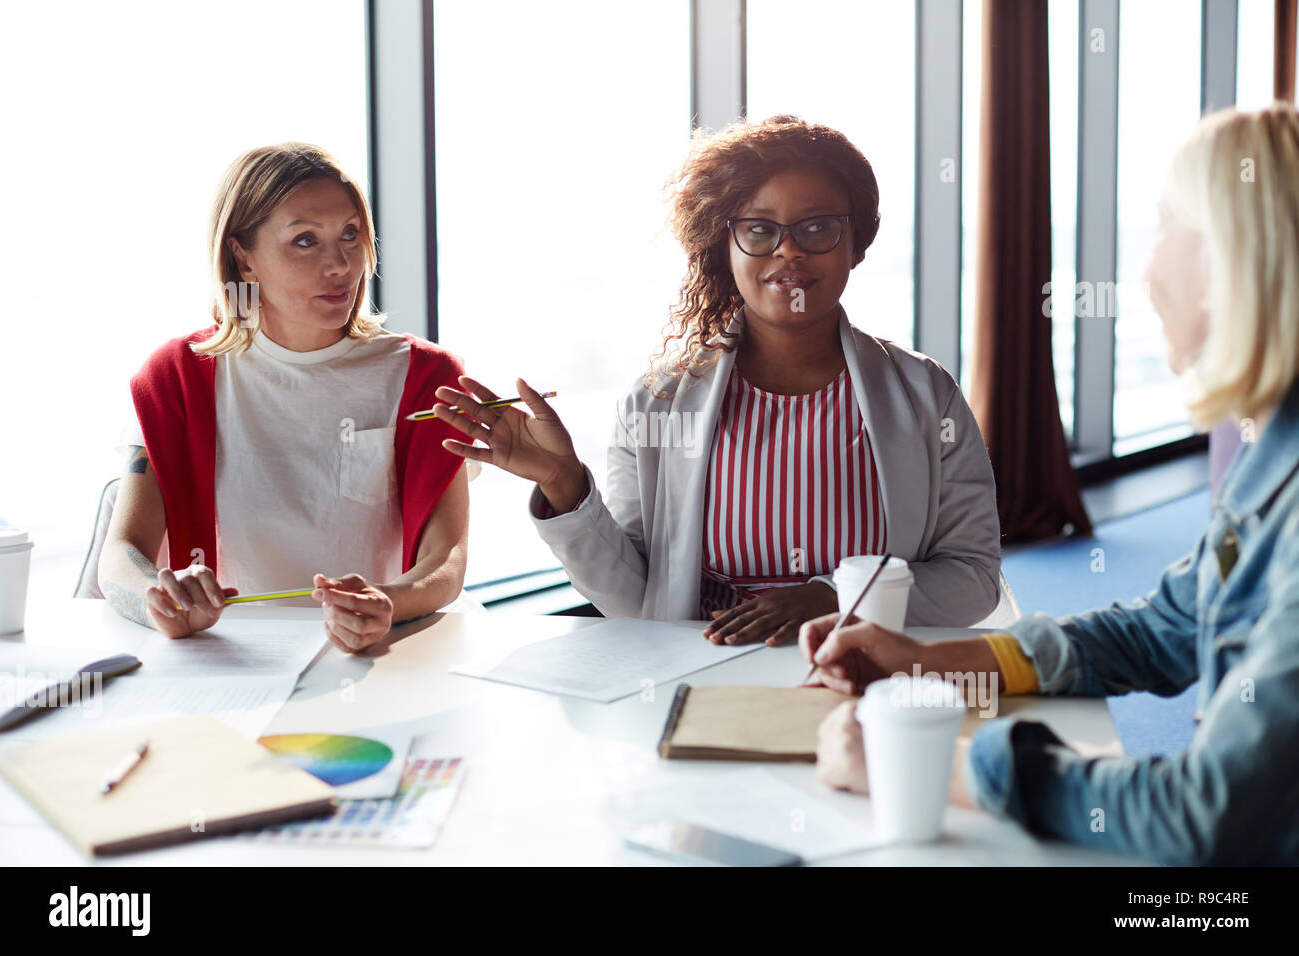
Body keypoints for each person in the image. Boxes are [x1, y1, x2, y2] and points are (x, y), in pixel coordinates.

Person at [809, 104, 1299, 865]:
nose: (1144, 268)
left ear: (1230, 260)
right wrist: (923, 660)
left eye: (1168, 226)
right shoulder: (1271, 454)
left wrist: (930, 766)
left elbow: (1208, 812)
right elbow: (1165, 629)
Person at [432, 116, 1002, 645]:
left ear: (856, 243)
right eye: (759, 229)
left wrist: (835, 597)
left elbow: (973, 579)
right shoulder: (656, 405)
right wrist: (563, 482)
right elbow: (633, 601)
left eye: (819, 227)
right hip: (703, 675)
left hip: (867, 672)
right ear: (724, 247)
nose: (789, 250)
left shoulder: (927, 395)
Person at [99, 143, 469, 654]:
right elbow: (120, 555)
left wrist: (390, 601)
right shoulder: (178, 378)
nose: (339, 263)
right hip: (237, 662)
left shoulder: (425, 377)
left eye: (350, 234)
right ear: (243, 258)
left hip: (383, 659)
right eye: (304, 241)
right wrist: (157, 599)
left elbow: (446, 561)